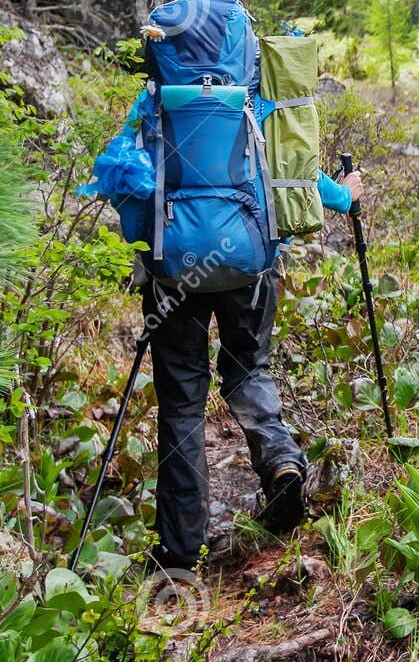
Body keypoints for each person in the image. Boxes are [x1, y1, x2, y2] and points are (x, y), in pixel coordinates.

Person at [141, 160, 363, 572]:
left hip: (173, 271)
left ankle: (179, 550)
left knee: (181, 402)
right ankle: (281, 462)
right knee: (247, 370)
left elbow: (127, 174)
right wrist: (346, 194)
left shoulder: (159, 95)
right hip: (251, 261)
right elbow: (295, 166)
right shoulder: (257, 94)